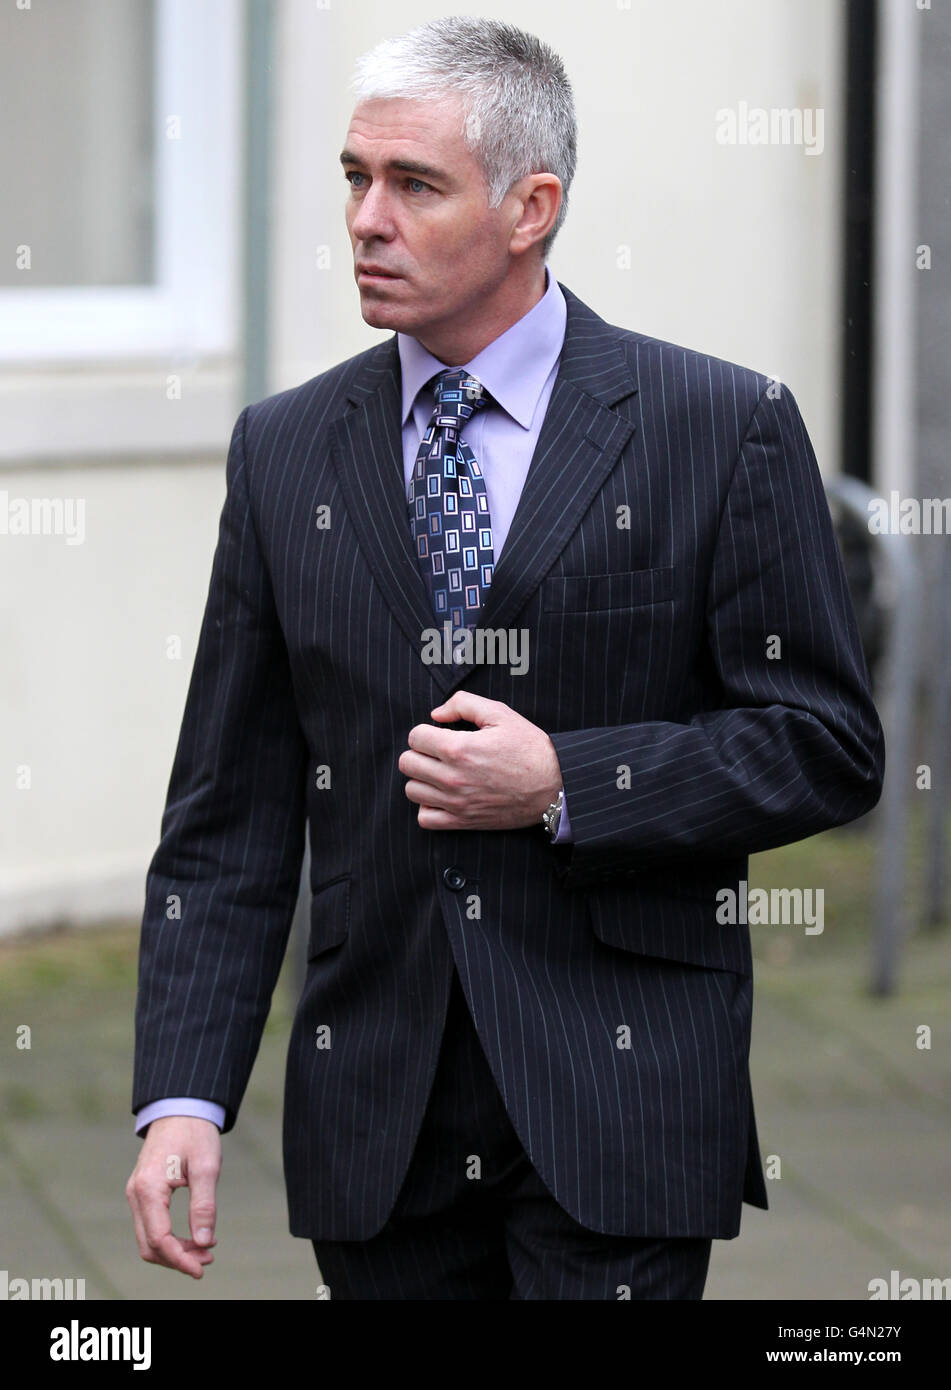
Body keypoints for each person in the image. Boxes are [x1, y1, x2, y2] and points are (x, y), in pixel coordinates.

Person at [126, 16, 885, 1300]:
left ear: (532, 207)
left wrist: (568, 782)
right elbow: (230, 810)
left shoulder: (719, 427)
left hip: (622, 1095)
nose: (367, 218)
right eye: (356, 178)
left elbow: (825, 742)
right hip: (379, 1117)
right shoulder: (285, 451)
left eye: (414, 185)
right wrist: (182, 1095)